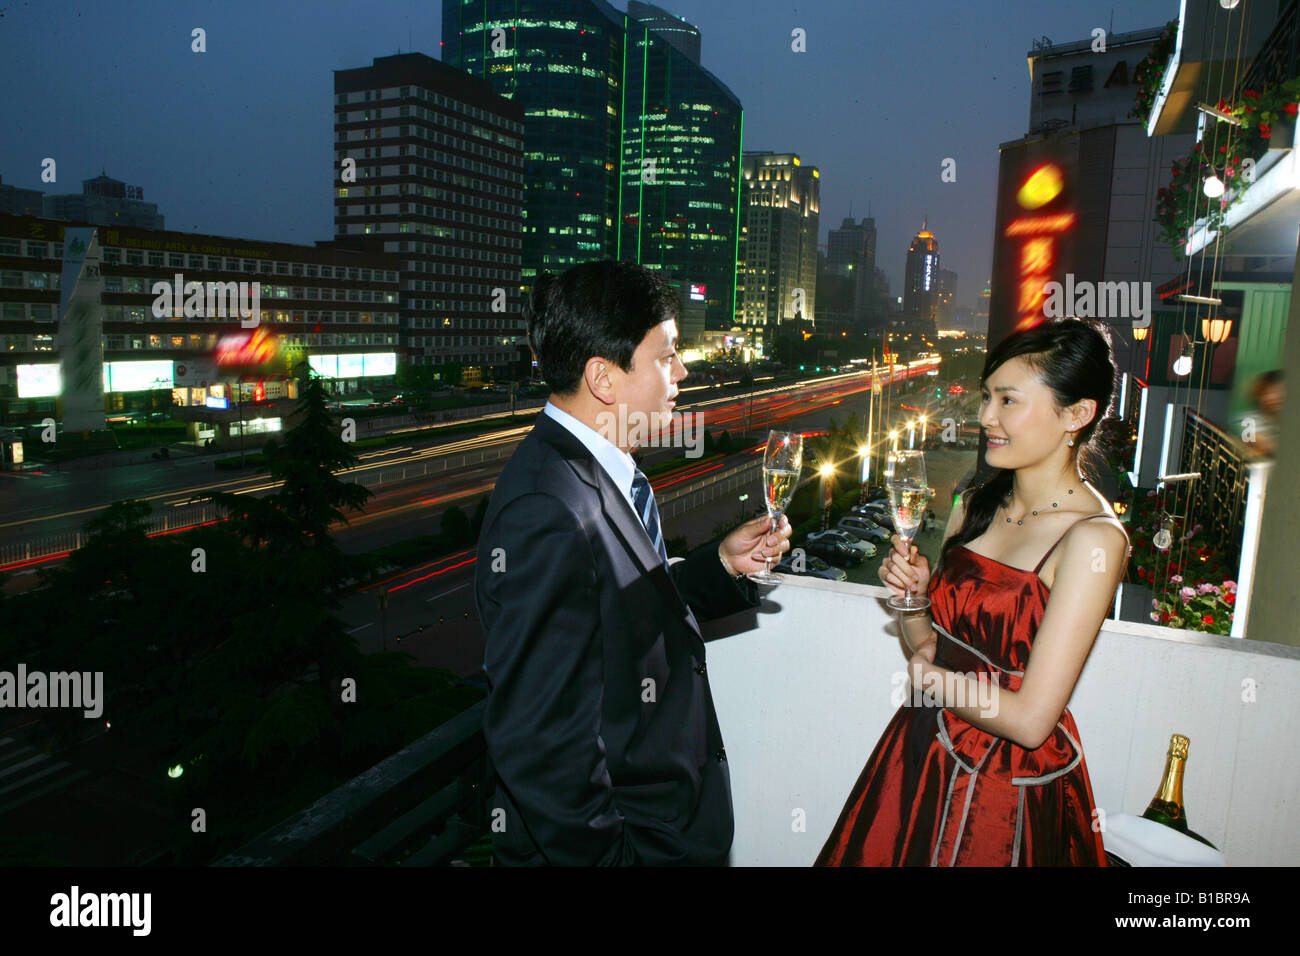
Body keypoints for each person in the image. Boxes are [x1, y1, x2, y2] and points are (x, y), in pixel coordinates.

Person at [474, 259, 792, 866]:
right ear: (604, 378)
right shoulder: (547, 507)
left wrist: (721, 566)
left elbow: (617, 607)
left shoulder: (599, 471)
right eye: (666, 354)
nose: (684, 370)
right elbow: (538, 738)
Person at [817, 317, 1131, 866]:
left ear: (1076, 415)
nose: (985, 417)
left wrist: (931, 681)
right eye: (988, 396)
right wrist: (915, 599)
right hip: (922, 752)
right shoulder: (976, 504)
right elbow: (931, 645)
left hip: (1000, 790)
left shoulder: (1092, 539)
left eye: (1008, 400)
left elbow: (1033, 721)